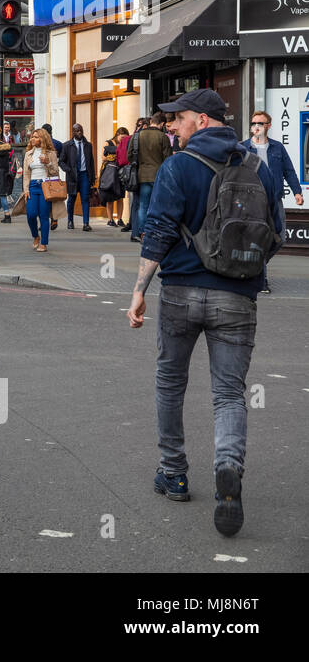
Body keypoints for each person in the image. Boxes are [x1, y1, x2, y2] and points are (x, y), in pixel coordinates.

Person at [128, 89, 284, 539]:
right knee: (229, 393)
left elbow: (157, 229)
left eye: (179, 119)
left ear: (201, 119)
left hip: (179, 291)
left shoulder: (178, 167)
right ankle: (227, 467)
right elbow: (274, 230)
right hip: (237, 297)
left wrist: (139, 290)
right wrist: (247, 270)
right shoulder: (259, 166)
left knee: (170, 381)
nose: (172, 126)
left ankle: (173, 473)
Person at [243, 109, 303, 294]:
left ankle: (255, 266)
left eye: (260, 123)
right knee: (258, 238)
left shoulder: (277, 148)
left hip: (274, 199)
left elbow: (289, 171)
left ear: (268, 126)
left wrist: (297, 192)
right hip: (252, 201)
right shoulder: (243, 148)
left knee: (280, 238)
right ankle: (262, 279)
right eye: (254, 123)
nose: (256, 127)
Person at [131, 112, 173, 244]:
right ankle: (154, 231)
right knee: (157, 206)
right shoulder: (163, 137)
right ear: (161, 124)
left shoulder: (137, 136)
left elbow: (129, 156)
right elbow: (168, 159)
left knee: (143, 205)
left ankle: (143, 233)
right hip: (159, 176)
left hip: (142, 175)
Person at [22, 129, 60, 252]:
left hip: (45, 185)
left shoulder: (51, 153)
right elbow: (26, 174)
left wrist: (48, 163)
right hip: (33, 186)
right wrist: (26, 189)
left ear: (43, 139)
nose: (33, 139)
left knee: (43, 216)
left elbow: (56, 172)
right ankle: (35, 236)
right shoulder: (29, 154)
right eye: (32, 137)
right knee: (31, 214)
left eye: (36, 137)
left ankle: (44, 243)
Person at [60, 123, 94, 231]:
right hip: (72, 176)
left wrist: (92, 177)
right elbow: (61, 161)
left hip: (84, 174)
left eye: (81, 130)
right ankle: (70, 221)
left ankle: (86, 223)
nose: (80, 133)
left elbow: (91, 162)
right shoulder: (67, 145)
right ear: (73, 132)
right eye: (77, 131)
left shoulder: (88, 145)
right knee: (71, 199)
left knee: (85, 199)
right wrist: (68, 170)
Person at [100, 127, 128, 228]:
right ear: (117, 135)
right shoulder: (108, 143)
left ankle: (119, 219)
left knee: (120, 196)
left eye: (125, 138)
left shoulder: (125, 144)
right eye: (122, 137)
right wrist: (114, 157)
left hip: (120, 173)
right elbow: (103, 157)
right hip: (110, 173)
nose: (123, 139)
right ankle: (110, 219)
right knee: (110, 197)